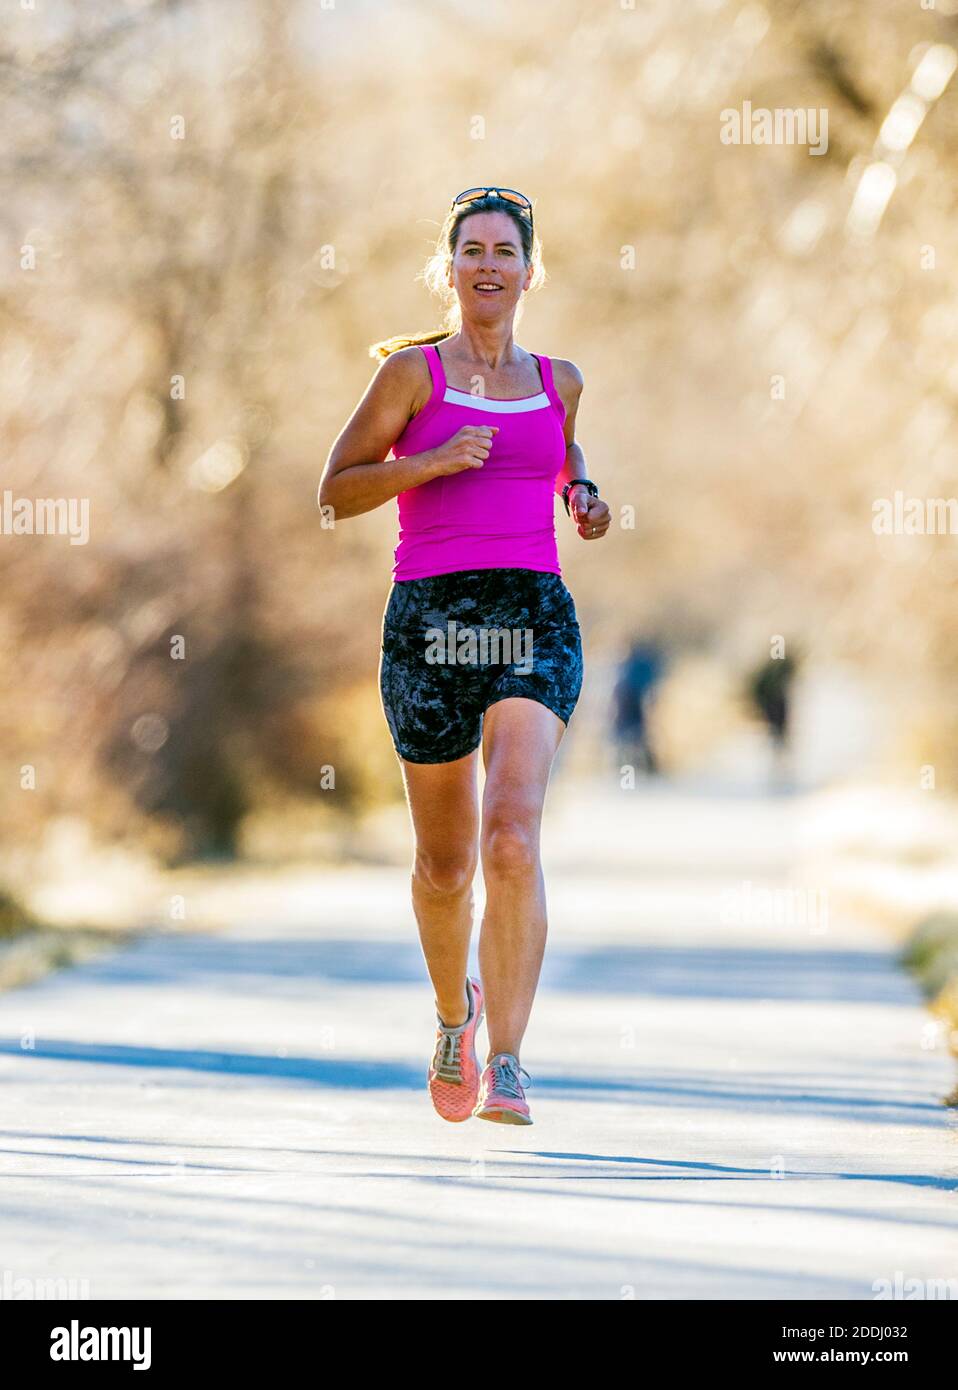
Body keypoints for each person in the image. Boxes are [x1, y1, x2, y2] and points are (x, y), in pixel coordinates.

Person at [319, 187, 609, 1124]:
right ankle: (456, 1019)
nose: (488, 265)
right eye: (472, 250)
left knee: (511, 836)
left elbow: (560, 457)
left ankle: (513, 1062)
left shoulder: (559, 378)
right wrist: (428, 465)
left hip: (531, 616)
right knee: (445, 866)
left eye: (504, 251)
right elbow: (336, 491)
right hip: (430, 626)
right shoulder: (413, 375)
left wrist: (587, 496)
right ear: (450, 269)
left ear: (530, 269)